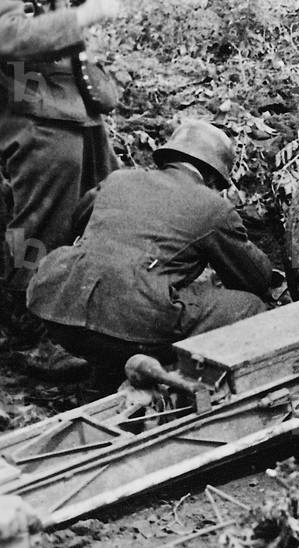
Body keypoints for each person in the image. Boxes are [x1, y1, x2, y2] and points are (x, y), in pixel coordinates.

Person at [26, 120, 273, 389]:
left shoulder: (119, 178)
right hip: (129, 331)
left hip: (59, 311)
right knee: (250, 306)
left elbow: (78, 222)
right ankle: (181, 377)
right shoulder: (214, 207)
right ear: (214, 177)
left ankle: (95, 364)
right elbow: (256, 280)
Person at [0, 0, 129, 349]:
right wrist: (86, 16)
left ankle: (88, 310)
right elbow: (6, 35)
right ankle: (29, 337)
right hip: (25, 107)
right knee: (39, 231)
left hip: (65, 98)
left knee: (109, 197)